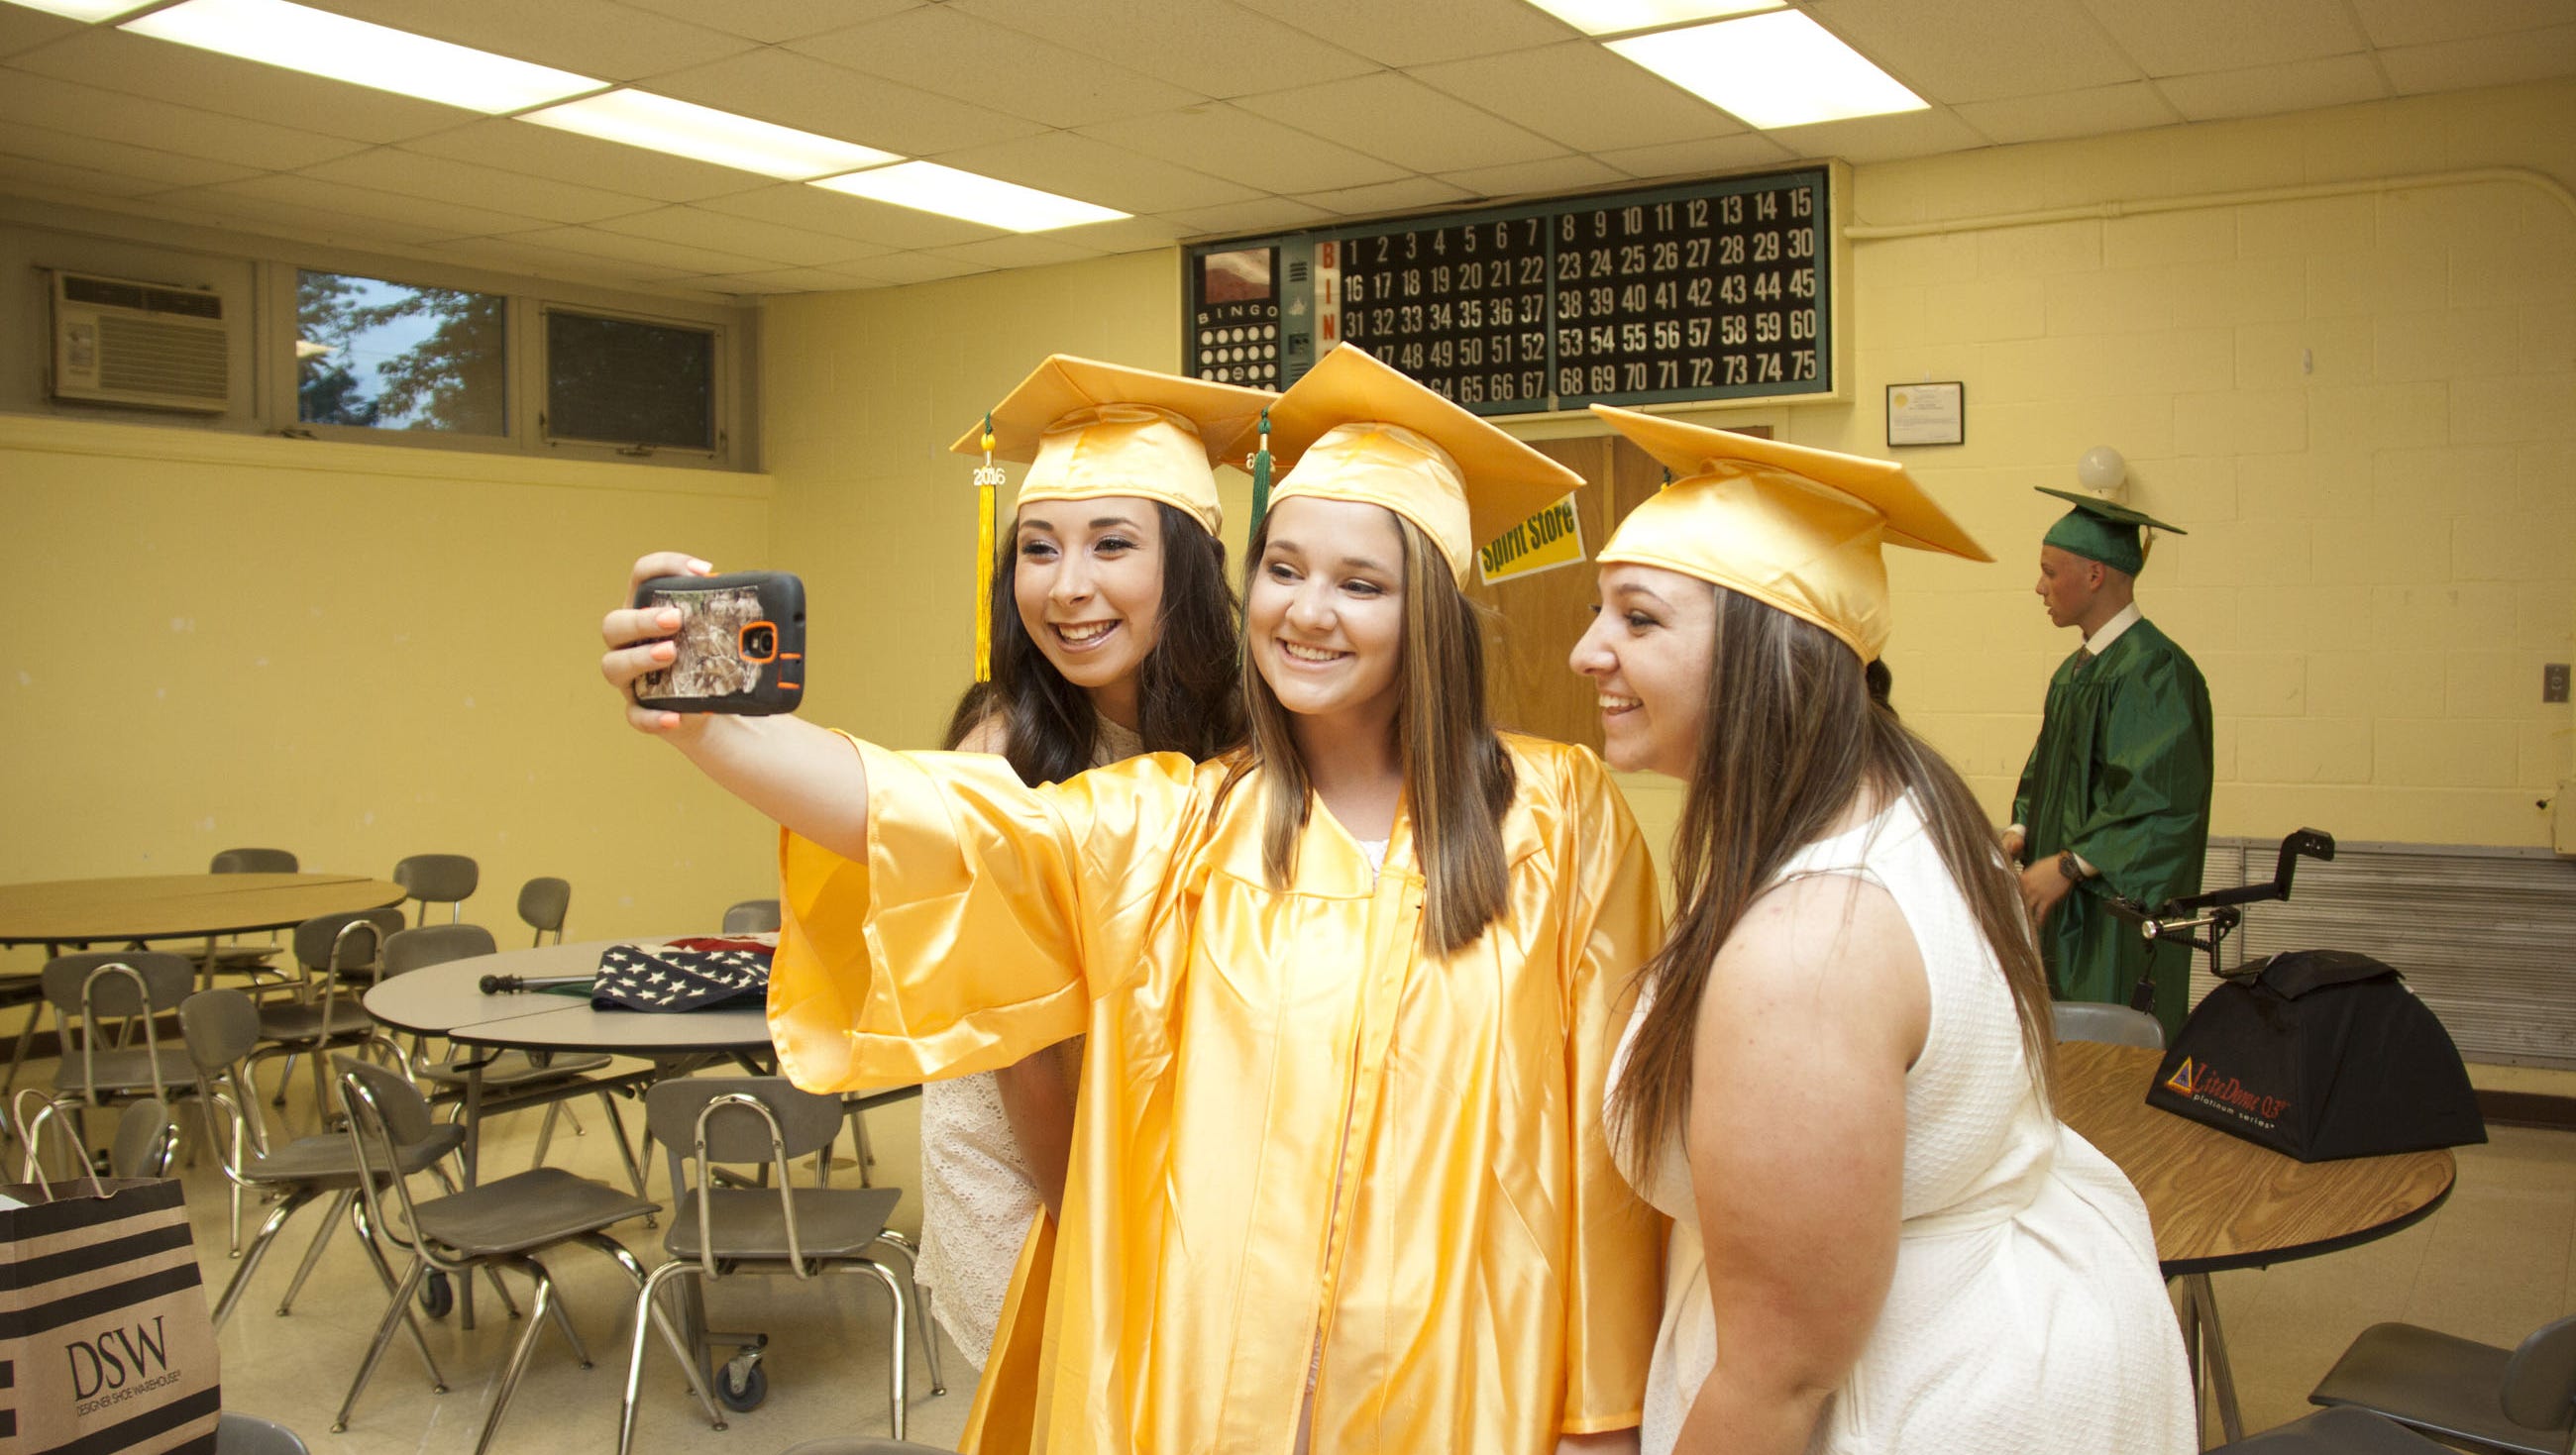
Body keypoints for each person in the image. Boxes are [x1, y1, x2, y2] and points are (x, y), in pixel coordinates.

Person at [600, 343, 1663, 1455]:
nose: (1307, 610)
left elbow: (1607, 1145)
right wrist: (710, 726)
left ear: (1429, 614)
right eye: (1283, 569)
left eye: (1361, 583)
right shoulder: (1179, 817)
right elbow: (928, 816)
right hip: (1226, 1367)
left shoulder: (1561, 814)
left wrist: (1604, 1412)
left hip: (1466, 1370)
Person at [1569, 407, 2195, 1455]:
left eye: (1637, 619)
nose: (1587, 649)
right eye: (1601, 610)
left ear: (1771, 653)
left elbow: (1778, 1379)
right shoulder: (1908, 802)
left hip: (1914, 1402)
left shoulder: (1808, 949)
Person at [804, 357, 1266, 1393]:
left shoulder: (1249, 742)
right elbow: (1026, 1062)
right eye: (1039, 547)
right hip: (1031, 1171)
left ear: (1191, 566)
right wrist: (1097, 1240)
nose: (1066, 586)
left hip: (1179, 1155)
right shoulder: (1003, 750)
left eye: (1112, 544)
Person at [2004, 487, 2213, 1041]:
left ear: (2095, 575)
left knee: (2110, 1056)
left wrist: (2070, 865)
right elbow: (2045, 773)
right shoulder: (2074, 673)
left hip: (2113, 919)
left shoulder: (2155, 670)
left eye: (2050, 572)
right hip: (2062, 910)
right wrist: (2019, 831)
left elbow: (2160, 802)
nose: (2039, 587)